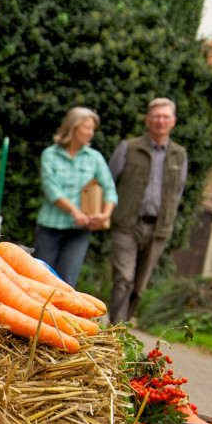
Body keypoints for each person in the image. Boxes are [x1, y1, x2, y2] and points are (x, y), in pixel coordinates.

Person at [108, 98, 188, 324]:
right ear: (147, 120)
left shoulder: (179, 155)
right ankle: (114, 330)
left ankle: (122, 328)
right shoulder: (129, 147)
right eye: (156, 116)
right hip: (127, 224)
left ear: (173, 122)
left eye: (165, 117)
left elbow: (178, 191)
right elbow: (108, 182)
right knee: (123, 278)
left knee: (139, 286)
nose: (160, 121)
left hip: (158, 229)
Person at [34, 107, 118, 286]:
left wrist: (105, 215)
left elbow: (110, 189)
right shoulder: (50, 154)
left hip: (79, 232)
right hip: (49, 228)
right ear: (73, 127)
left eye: (92, 129)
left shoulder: (95, 158)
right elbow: (52, 189)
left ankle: (59, 315)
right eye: (87, 128)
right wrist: (74, 211)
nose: (91, 133)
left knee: (67, 282)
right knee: (40, 278)